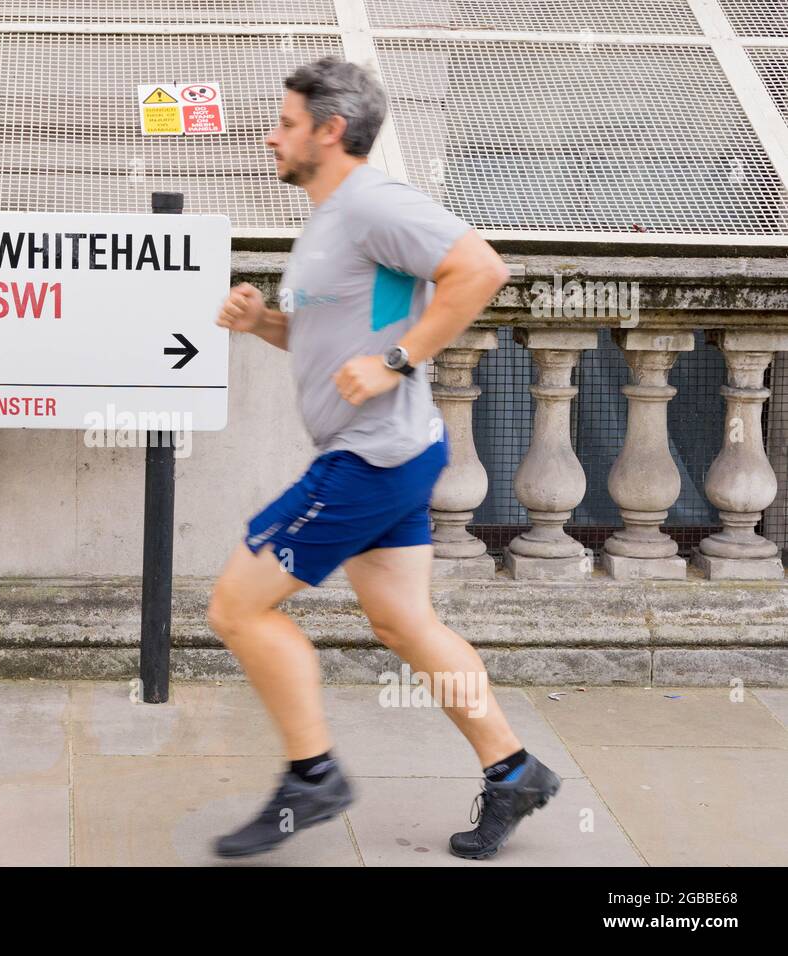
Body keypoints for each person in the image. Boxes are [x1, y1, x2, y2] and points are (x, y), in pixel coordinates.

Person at [208, 55, 560, 860]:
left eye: (287, 123)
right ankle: (514, 771)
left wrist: (399, 361)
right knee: (403, 622)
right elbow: (332, 341)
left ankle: (313, 775)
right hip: (393, 450)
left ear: (330, 131)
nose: (272, 137)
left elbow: (480, 270)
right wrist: (263, 320)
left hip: (370, 459)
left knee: (237, 606)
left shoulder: (375, 204)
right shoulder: (330, 220)